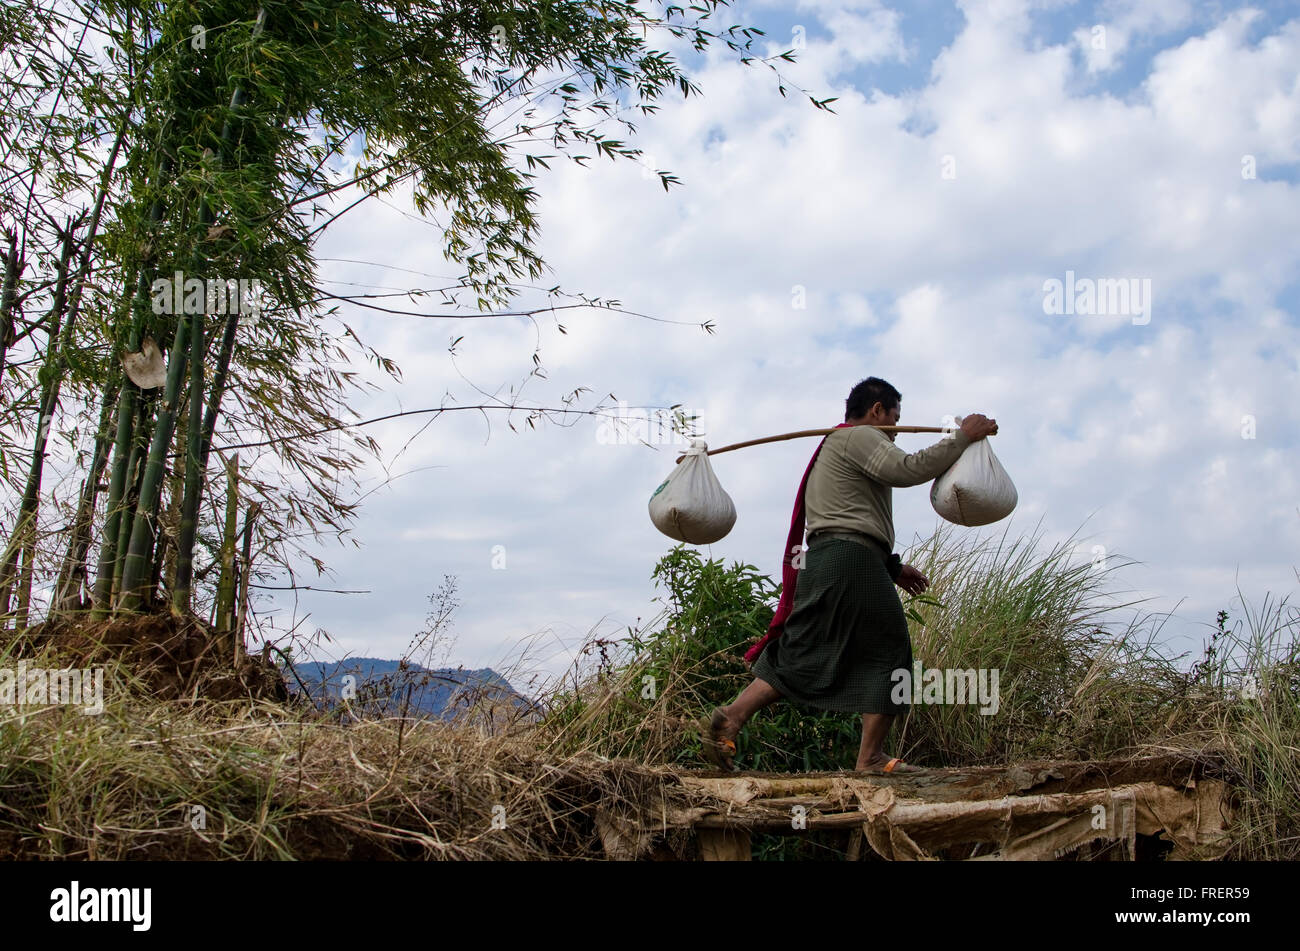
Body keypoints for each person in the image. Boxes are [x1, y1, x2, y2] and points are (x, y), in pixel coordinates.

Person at [703, 377, 998, 773]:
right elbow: (908, 469)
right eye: (895, 418)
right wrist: (962, 438)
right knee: (890, 649)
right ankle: (871, 759)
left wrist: (890, 567)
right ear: (877, 410)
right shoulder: (860, 437)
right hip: (849, 558)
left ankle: (732, 717)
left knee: (802, 650)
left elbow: (846, 513)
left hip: (830, 560)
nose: (894, 431)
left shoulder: (839, 445)